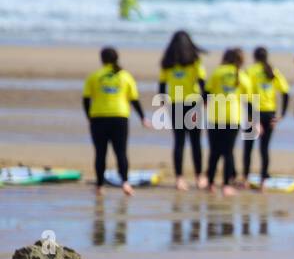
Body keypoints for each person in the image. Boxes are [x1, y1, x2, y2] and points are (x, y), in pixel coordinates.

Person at [83, 47, 149, 194]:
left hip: (98, 118)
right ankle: (125, 183)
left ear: (102, 59)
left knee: (100, 153)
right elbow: (134, 100)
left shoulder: (94, 76)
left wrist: (89, 116)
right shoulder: (125, 76)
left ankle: (100, 186)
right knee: (121, 152)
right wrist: (143, 117)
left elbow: (86, 99)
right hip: (119, 117)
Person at [159, 31, 207, 189]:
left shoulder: (167, 62)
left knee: (179, 141)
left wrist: (162, 102)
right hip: (193, 103)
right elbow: (202, 82)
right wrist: (206, 101)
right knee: (195, 142)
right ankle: (199, 177)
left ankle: (179, 179)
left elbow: (162, 85)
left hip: (175, 104)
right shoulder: (194, 61)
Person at [204, 48, 254, 197]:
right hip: (233, 118)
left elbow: (206, 94)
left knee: (214, 152)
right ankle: (226, 186)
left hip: (214, 117)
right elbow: (250, 100)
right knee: (228, 152)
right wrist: (252, 119)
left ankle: (210, 184)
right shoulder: (242, 76)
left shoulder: (217, 72)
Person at [244, 47, 290, 186]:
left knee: (248, 147)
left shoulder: (250, 71)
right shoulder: (273, 71)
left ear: (254, 57)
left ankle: (245, 178)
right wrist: (282, 114)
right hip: (270, 113)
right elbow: (285, 92)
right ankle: (263, 179)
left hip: (254, 111)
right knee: (264, 148)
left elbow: (247, 96)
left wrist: (252, 118)